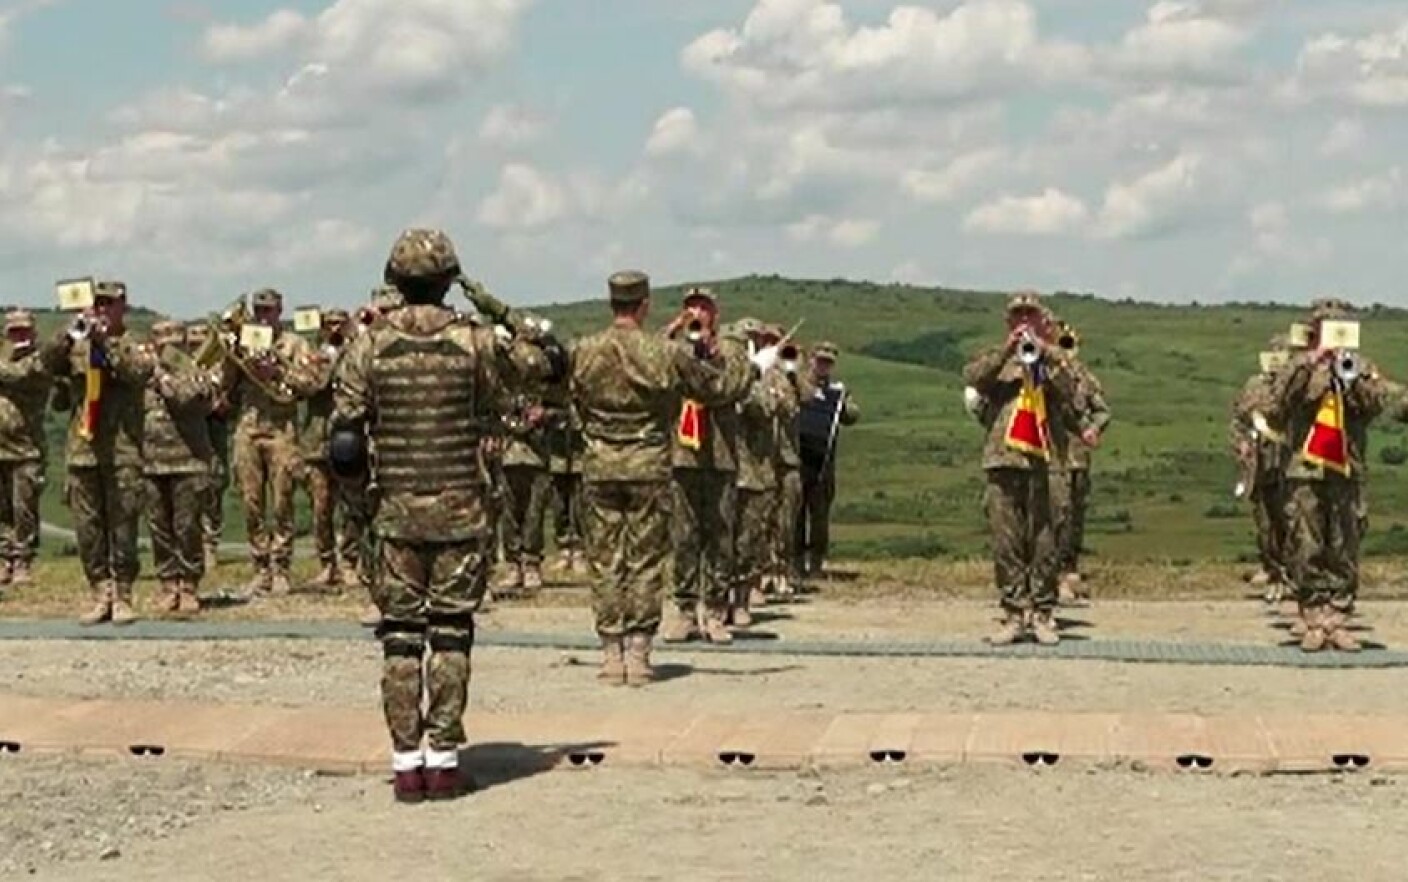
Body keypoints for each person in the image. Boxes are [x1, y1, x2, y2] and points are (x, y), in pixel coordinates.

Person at [332, 228, 561, 802]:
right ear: (447, 280)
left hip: (394, 512)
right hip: (462, 509)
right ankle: (445, 760)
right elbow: (548, 363)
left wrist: (363, 507)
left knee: (402, 638)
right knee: (452, 633)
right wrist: (510, 315)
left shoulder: (368, 345)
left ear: (395, 280)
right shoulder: (476, 341)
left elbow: (344, 444)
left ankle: (406, 766)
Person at [570, 271, 734, 683]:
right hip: (648, 466)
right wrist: (742, 367)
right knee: (644, 562)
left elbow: (563, 393)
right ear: (644, 306)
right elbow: (715, 389)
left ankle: (610, 655)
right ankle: (640, 654)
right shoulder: (663, 352)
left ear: (612, 304)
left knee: (606, 562)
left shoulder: (584, 350)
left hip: (601, 465)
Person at [1267, 299, 1404, 652]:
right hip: (1305, 469)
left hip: (1347, 468)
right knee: (1306, 542)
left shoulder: (1359, 367)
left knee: (1346, 543)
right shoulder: (1298, 367)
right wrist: (1309, 365)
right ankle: (1313, 616)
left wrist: (1353, 376)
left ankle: (1339, 617)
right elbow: (1277, 408)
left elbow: (1375, 405)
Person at [962, 292, 1082, 646]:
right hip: (1003, 458)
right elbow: (972, 378)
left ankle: (1043, 612)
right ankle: (1014, 612)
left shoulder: (1058, 358)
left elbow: (1075, 392)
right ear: (1009, 322)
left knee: (1047, 539)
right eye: (1018, 316)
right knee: (1006, 540)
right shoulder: (997, 358)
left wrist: (1044, 354)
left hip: (1046, 459)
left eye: (1031, 314)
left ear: (1042, 320)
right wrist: (1006, 351)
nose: (1024, 320)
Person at [42, 280, 149, 625]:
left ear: (123, 307)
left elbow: (137, 373)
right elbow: (47, 362)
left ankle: (123, 595)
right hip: (82, 449)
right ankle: (99, 591)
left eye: (109, 304)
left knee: (122, 526)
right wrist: (69, 333)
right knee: (88, 528)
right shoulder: (78, 346)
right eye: (97, 303)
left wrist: (106, 344)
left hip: (122, 450)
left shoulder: (134, 344)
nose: (102, 310)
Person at [660, 287, 755, 644]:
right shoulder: (673, 347)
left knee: (719, 536)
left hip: (721, 456)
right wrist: (671, 334)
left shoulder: (730, 350)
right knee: (684, 535)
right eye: (690, 308)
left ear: (715, 313)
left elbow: (730, 387)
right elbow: (651, 372)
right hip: (684, 454)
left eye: (703, 307)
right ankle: (684, 610)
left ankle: (715, 610)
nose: (696, 313)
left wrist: (709, 362)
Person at [220, 288, 318, 596]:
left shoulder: (295, 344)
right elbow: (226, 386)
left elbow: (311, 383)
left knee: (282, 501)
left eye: (269, 310)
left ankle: (281, 568)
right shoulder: (245, 340)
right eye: (258, 310)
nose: (263, 316)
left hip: (281, 429)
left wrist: (278, 370)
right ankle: (259, 567)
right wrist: (233, 357)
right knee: (251, 502)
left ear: (279, 311)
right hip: (248, 427)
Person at [141, 321, 217, 616]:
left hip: (188, 461)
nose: (168, 347)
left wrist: (163, 377)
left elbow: (184, 398)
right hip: (151, 461)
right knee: (159, 528)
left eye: (175, 341)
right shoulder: (143, 372)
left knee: (187, 528)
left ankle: (188, 585)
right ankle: (168, 583)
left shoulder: (196, 370)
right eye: (163, 342)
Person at [1230, 335, 1296, 604]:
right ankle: (1269, 566)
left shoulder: (1295, 387)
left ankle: (1290, 572)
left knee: (1290, 520)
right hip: (1261, 463)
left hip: (1288, 463)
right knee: (1264, 520)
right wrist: (1241, 445)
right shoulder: (1254, 386)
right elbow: (1238, 419)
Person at [731, 317, 787, 626]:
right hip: (724, 467)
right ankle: (714, 603)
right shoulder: (727, 372)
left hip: (754, 468)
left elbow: (768, 408)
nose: (752, 343)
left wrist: (755, 378)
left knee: (749, 540)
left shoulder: (767, 375)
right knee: (720, 541)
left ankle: (741, 599)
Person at [1050, 321, 1111, 604]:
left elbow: (1101, 410)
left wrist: (1094, 429)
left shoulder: (1085, 377)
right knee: (1053, 515)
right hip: (1050, 453)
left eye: (1067, 344)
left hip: (1078, 455)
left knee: (1075, 515)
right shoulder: (1045, 373)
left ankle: (1069, 567)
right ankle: (1051, 574)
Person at [300, 308, 353, 590]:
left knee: (350, 505)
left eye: (339, 324)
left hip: (346, 437)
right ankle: (326, 562)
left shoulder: (357, 352)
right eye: (330, 324)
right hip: (316, 439)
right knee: (321, 508)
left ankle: (350, 562)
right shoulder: (315, 355)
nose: (334, 328)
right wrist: (326, 362)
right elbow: (311, 386)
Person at [796, 341, 858, 579]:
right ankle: (796, 561)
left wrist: (843, 406)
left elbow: (852, 416)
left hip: (823, 462)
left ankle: (816, 564)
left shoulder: (838, 390)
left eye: (828, 362)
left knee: (819, 516)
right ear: (811, 359)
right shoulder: (798, 385)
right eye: (820, 360)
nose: (823, 366)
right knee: (797, 515)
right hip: (799, 458)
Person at [0, 309, 51, 590]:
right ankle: (3, 557)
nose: (19, 336)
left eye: (24, 331)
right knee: (2, 508)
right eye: (13, 331)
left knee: (24, 508)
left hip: (26, 448)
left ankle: (22, 560)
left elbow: (19, 376)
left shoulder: (40, 360)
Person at [496, 363, 552, 595]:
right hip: (508, 456)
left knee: (534, 512)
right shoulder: (500, 390)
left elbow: (564, 409)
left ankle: (531, 562)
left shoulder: (546, 390)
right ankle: (512, 563)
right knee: (508, 513)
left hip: (536, 457)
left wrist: (543, 416)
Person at [185, 322, 233, 572]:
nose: (196, 340)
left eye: (201, 335)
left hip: (213, 432)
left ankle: (210, 543)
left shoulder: (220, 366)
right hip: (186, 435)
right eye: (193, 334)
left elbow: (228, 400)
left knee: (213, 488)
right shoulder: (180, 363)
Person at [768, 326, 810, 598]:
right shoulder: (757, 373)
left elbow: (808, 398)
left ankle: (782, 571)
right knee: (761, 521)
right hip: (762, 459)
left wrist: (793, 372)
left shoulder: (793, 377)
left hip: (788, 458)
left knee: (786, 521)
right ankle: (761, 573)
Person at [543, 378, 586, 574]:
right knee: (559, 500)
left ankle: (579, 550)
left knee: (579, 500)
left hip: (578, 447)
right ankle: (563, 547)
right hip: (557, 446)